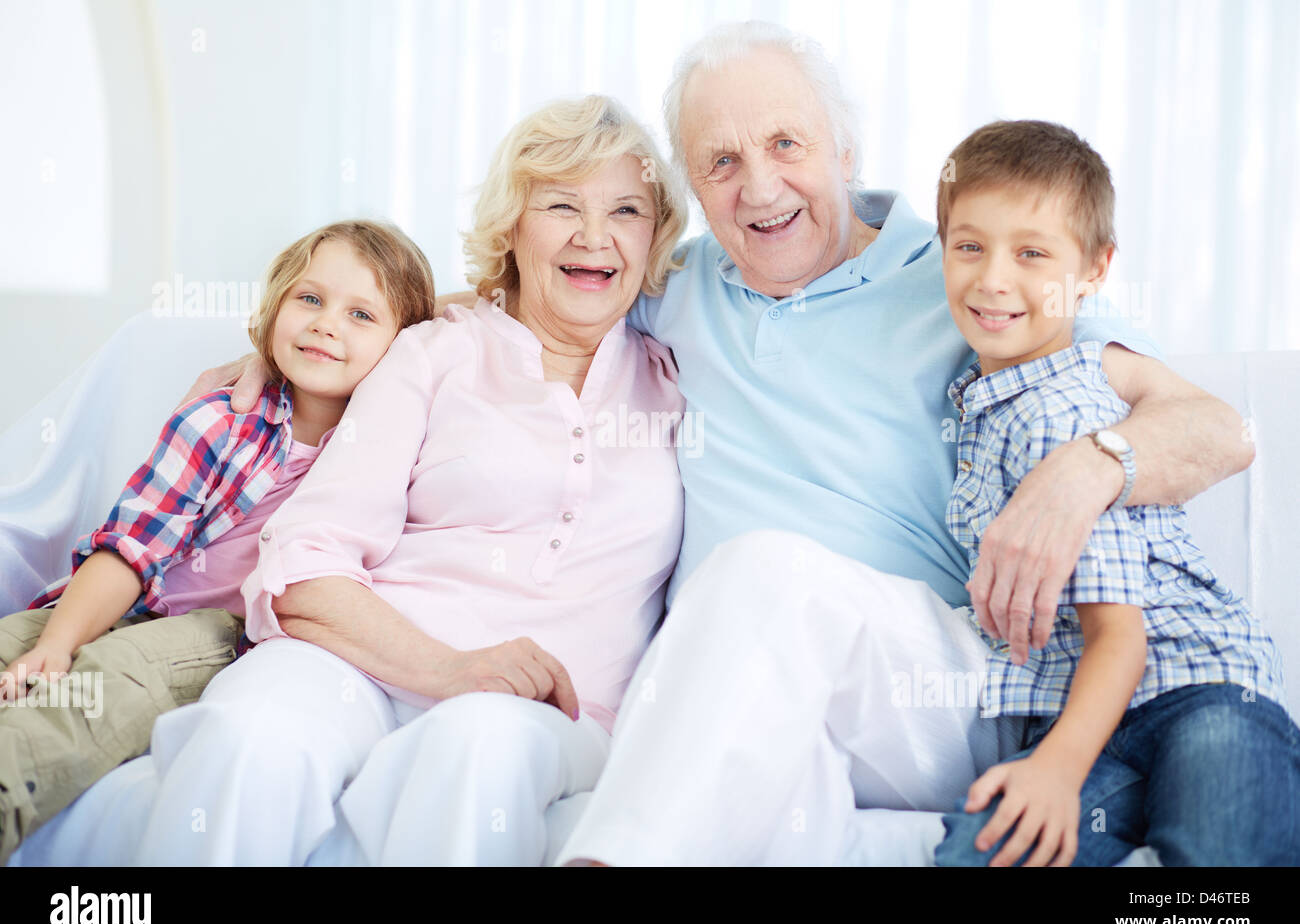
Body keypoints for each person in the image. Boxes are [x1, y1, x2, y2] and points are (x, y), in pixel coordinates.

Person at [202, 23, 1251, 866]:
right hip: (727, 685)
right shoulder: (678, 289)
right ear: (692, 197)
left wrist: (1086, 468)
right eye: (722, 161)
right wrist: (291, 357)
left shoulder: (966, 277)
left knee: (764, 573)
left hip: (930, 682)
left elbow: (1221, 430)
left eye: (787, 145)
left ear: (844, 148)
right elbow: (532, 289)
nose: (760, 187)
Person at [36, 95, 688, 867]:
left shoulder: (683, 364)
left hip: (548, 706)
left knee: (476, 743)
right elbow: (306, 562)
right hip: (357, 660)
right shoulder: (431, 353)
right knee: (251, 737)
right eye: (561, 205)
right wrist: (447, 667)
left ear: (656, 240)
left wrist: (475, 685)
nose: (593, 235)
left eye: (626, 210)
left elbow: (816, 251)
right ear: (514, 224)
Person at [0, 219, 435, 863]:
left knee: (110, 681)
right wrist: (57, 640)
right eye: (309, 299)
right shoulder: (220, 419)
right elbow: (131, 545)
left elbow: (473, 315)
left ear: (403, 348)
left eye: (361, 314)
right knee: (21, 642)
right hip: (131, 597)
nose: (325, 324)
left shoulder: (397, 450)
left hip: (221, 635)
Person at [926, 120, 1298, 867]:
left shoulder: (1059, 407)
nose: (993, 278)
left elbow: (1120, 639)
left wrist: (1057, 771)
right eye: (969, 246)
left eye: (1032, 253)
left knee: (1219, 862)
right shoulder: (982, 404)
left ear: (1094, 269)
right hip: (1090, 721)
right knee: (985, 852)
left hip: (1203, 693)